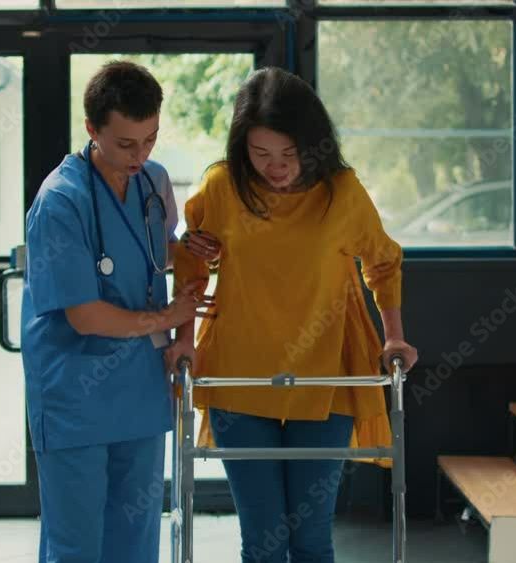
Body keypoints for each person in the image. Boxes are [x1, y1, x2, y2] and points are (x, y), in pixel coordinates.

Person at [170, 66, 419, 563]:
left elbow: (384, 259)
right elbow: (191, 261)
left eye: (289, 153)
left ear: (314, 143)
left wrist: (393, 336)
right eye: (260, 154)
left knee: (310, 539)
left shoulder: (342, 192)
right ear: (243, 148)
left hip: (324, 377)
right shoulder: (223, 186)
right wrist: (185, 339)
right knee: (262, 541)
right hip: (240, 373)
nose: (275, 167)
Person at [20, 60, 212, 563]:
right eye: (126, 143)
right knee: (78, 545)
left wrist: (190, 250)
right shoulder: (60, 202)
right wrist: (169, 319)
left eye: (149, 140)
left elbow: (149, 251)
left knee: (135, 540)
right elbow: (84, 314)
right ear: (91, 130)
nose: (140, 154)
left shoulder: (153, 184)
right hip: (75, 395)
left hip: (138, 389)